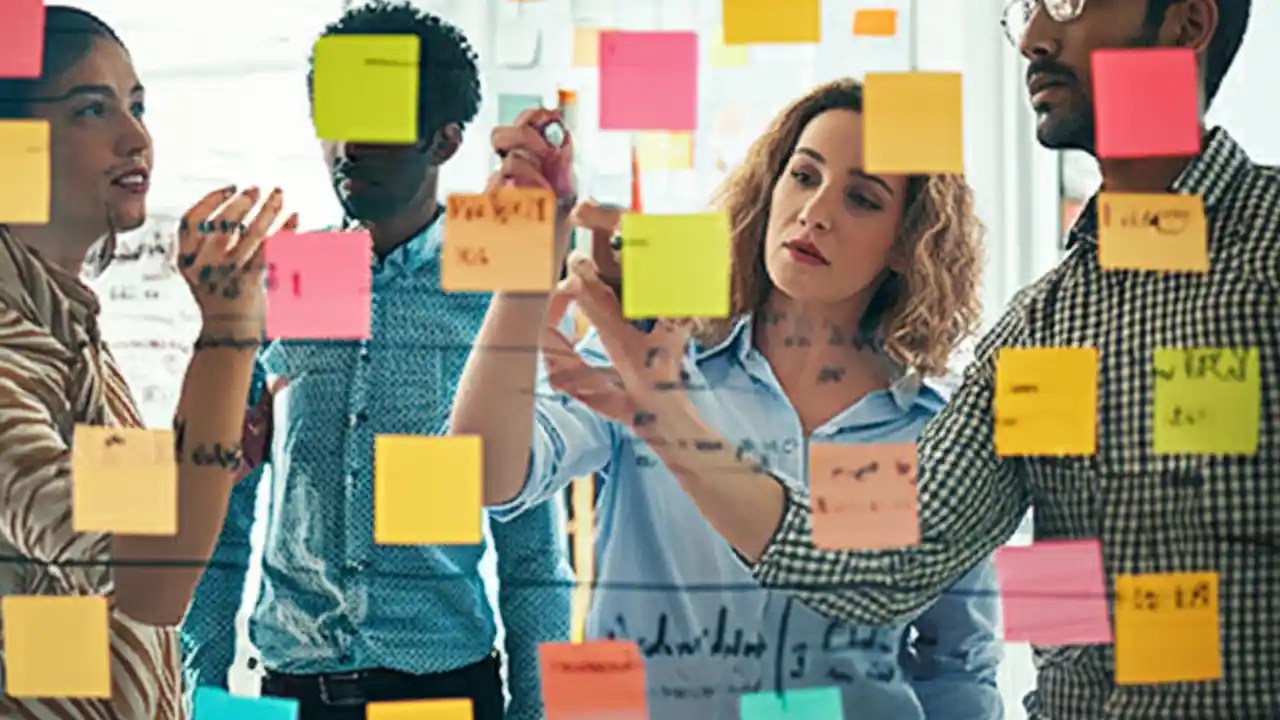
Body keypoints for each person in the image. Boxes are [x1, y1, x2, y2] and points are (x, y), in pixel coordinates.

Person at [559, 1, 1278, 719]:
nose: (1033, 37)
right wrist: (665, 416)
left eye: (1069, 1)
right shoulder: (1041, 328)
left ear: (1188, 24)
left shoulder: (1268, 250)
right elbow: (891, 566)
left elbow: (956, 657)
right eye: (1027, 8)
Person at [450, 79, 1004, 719]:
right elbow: (485, 473)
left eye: (861, 198)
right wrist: (523, 277)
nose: (815, 212)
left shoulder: (936, 431)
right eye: (804, 176)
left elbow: (957, 667)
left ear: (909, 244)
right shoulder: (658, 352)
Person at [179, 3, 572, 719]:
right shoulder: (277, 282)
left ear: (445, 140)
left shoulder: (494, 295)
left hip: (443, 690)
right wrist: (200, 692)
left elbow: (533, 552)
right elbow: (223, 513)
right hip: (292, 690)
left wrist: (536, 711)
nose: (349, 144)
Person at [0, 6, 295, 719]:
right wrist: (229, 331)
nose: (137, 138)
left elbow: (114, 535)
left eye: (136, 106)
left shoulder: (65, 324)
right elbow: (151, 585)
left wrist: (205, 461)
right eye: (91, 109)